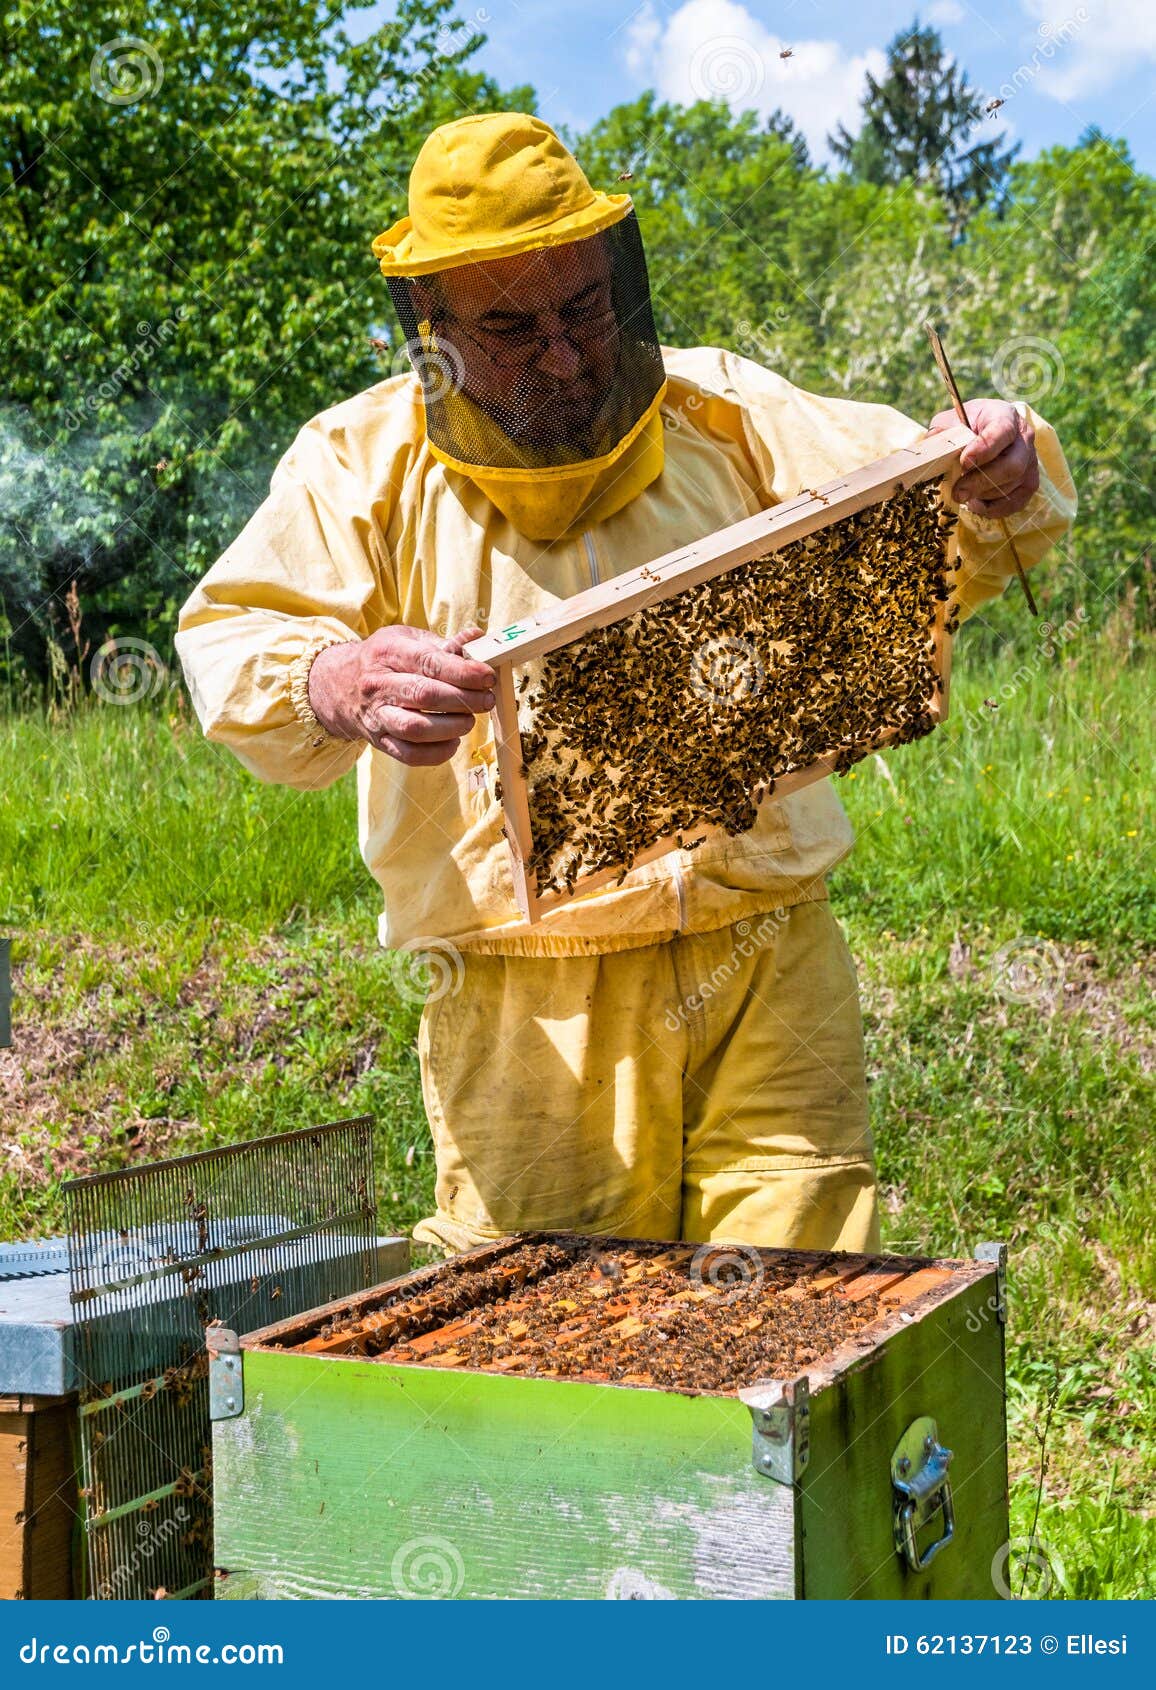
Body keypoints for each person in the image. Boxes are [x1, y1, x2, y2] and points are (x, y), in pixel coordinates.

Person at [175, 112, 1076, 1259]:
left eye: (583, 308)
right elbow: (232, 634)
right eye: (510, 325)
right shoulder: (354, 463)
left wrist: (996, 461)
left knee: (796, 1304)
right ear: (433, 328)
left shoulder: (727, 410)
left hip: (765, 951)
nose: (563, 354)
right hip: (527, 999)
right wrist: (337, 677)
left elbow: (927, 503)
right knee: (552, 1339)